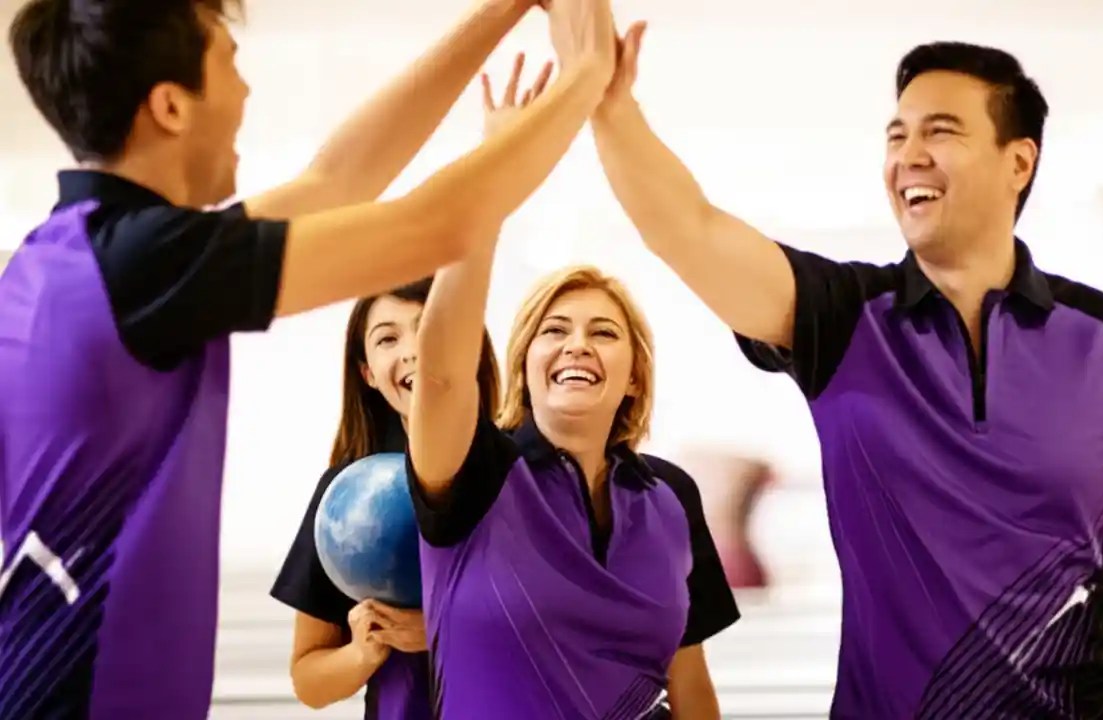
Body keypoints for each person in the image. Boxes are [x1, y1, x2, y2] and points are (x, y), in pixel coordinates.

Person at [0, 0, 619, 715]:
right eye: (228, 65)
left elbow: (337, 183)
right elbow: (438, 227)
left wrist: (506, 9)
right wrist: (585, 75)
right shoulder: (141, 267)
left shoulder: (76, 256)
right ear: (171, 106)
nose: (246, 91)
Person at [591, 33, 1103, 719]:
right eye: (897, 136)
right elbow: (689, 229)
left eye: (940, 131)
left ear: (1019, 161)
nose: (907, 156)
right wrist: (611, 106)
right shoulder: (840, 316)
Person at [401, 59, 739, 717]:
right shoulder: (471, 469)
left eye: (603, 333)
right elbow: (440, 372)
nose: (578, 343)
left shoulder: (670, 496)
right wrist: (495, 174)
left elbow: (691, 685)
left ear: (635, 372)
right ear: (525, 362)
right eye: (554, 331)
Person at [270, 278, 501, 717]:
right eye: (388, 338)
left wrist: (442, 629)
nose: (414, 349)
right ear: (369, 373)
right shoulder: (348, 499)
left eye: (429, 325)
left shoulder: (525, 477)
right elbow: (309, 680)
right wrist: (363, 652)